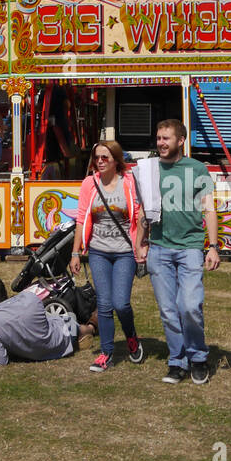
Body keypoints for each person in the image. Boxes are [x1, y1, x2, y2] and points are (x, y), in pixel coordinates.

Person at [144, 118, 220, 385]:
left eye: (166, 138)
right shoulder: (149, 170)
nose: (160, 143)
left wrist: (212, 246)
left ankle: (198, 357)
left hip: (190, 247)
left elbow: (209, 208)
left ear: (180, 141)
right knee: (167, 310)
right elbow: (140, 209)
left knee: (189, 306)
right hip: (159, 247)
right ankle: (177, 361)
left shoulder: (197, 169)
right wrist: (141, 240)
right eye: (158, 138)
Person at [69, 139, 147, 372]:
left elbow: (140, 214)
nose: (100, 162)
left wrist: (141, 244)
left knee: (121, 303)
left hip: (125, 252)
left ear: (116, 160)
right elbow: (81, 219)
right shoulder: (89, 184)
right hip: (98, 251)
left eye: (105, 157)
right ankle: (106, 353)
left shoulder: (129, 182)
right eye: (96, 158)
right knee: (103, 304)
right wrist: (75, 252)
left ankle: (131, 337)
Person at [0, 276, 79, 365]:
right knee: (72, 320)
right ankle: (90, 327)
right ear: (4, 291)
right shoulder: (29, 297)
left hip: (35, 353)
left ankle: (89, 327)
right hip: (61, 341)